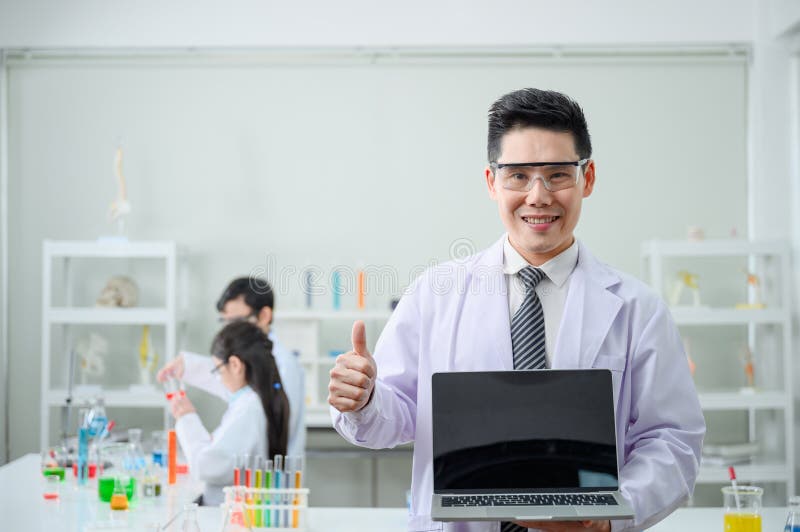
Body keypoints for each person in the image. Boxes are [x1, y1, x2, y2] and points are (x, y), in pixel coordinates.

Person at [328, 88, 705, 532]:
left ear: (588, 178)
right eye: (519, 176)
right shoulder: (435, 295)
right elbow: (393, 418)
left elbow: (673, 441)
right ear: (492, 182)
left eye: (558, 175)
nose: (539, 196)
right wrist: (364, 400)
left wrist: (609, 517)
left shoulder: (638, 311)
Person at [159, 277, 306, 458]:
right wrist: (188, 366)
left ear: (264, 316)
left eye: (235, 321)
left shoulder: (283, 365)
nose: (228, 330)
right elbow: (234, 385)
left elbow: (269, 420)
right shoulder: (251, 361)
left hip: (270, 476)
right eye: (224, 321)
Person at [169, 320, 289, 506]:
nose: (218, 378)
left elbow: (206, 467)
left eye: (218, 369)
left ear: (235, 365)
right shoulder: (258, 399)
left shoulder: (249, 409)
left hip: (230, 514)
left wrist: (187, 418)